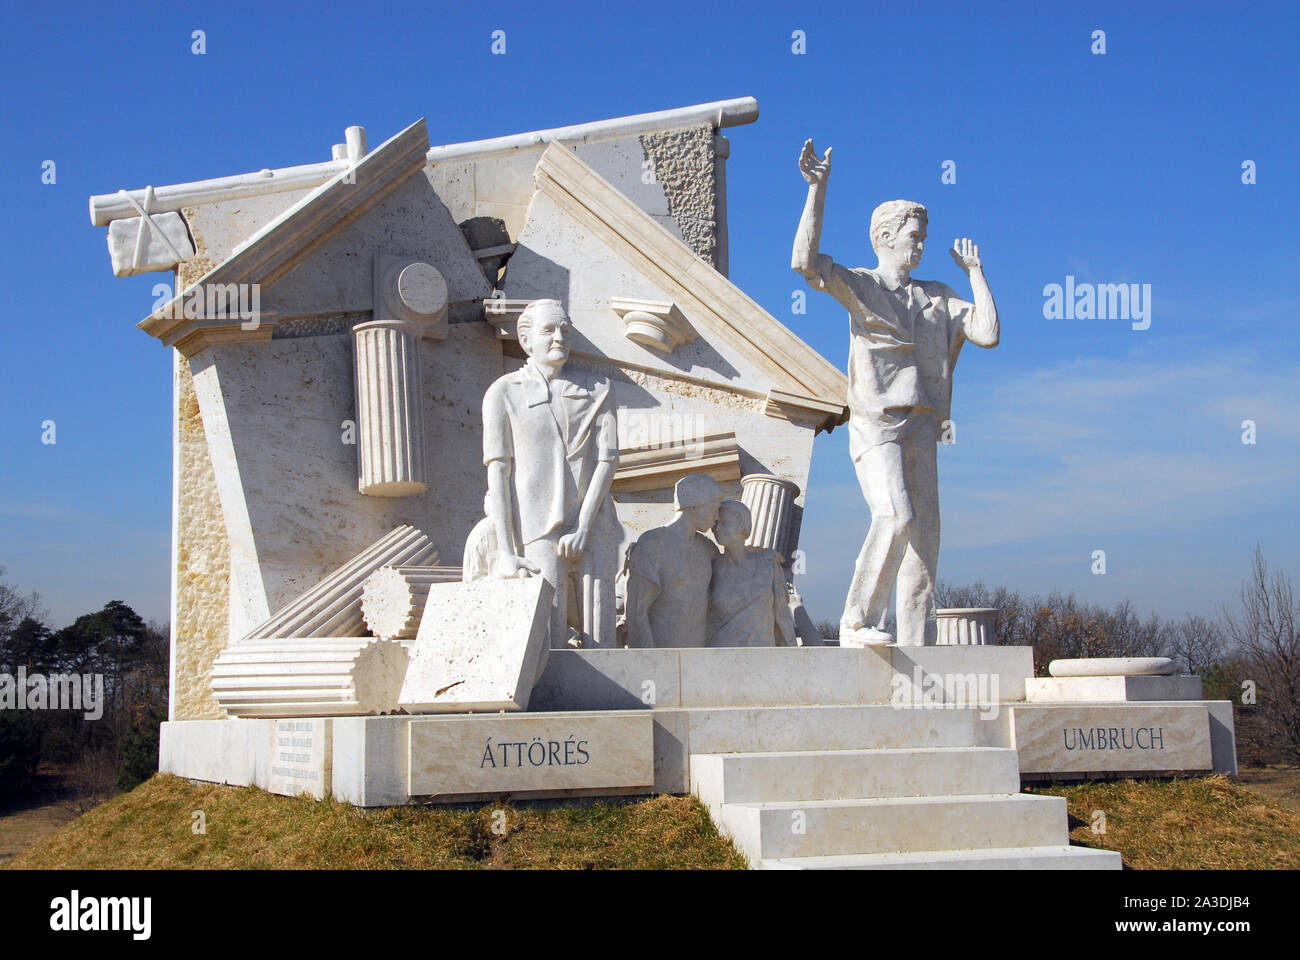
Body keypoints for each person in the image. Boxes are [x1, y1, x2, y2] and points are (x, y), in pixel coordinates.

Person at [792, 140, 999, 646]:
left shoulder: (937, 296)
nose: (921, 245)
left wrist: (975, 275)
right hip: (877, 424)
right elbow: (806, 264)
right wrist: (817, 190)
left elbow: (988, 333)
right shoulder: (864, 286)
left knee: (924, 541)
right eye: (914, 236)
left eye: (923, 237)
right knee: (895, 515)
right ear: (884, 237)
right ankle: (856, 620)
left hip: (922, 424)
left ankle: (915, 642)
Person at [481, 299, 621, 647]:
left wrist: (585, 526)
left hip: (595, 523)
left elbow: (609, 459)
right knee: (549, 631)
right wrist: (506, 551)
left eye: (566, 329)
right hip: (536, 525)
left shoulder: (598, 389)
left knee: (601, 635)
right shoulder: (504, 392)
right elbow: (499, 474)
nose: (560, 337)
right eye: (549, 329)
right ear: (526, 340)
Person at [625, 474, 722, 647]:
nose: (717, 517)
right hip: (661, 650)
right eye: (713, 509)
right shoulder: (652, 543)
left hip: (701, 654)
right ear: (694, 506)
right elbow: (637, 609)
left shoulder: (708, 549)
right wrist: (645, 655)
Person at [707, 500, 796, 647]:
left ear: (743, 525)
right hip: (720, 654)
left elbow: (782, 615)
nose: (717, 529)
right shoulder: (712, 566)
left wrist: (791, 653)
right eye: (715, 524)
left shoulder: (767, 562)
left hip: (761, 655)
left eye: (724, 523)